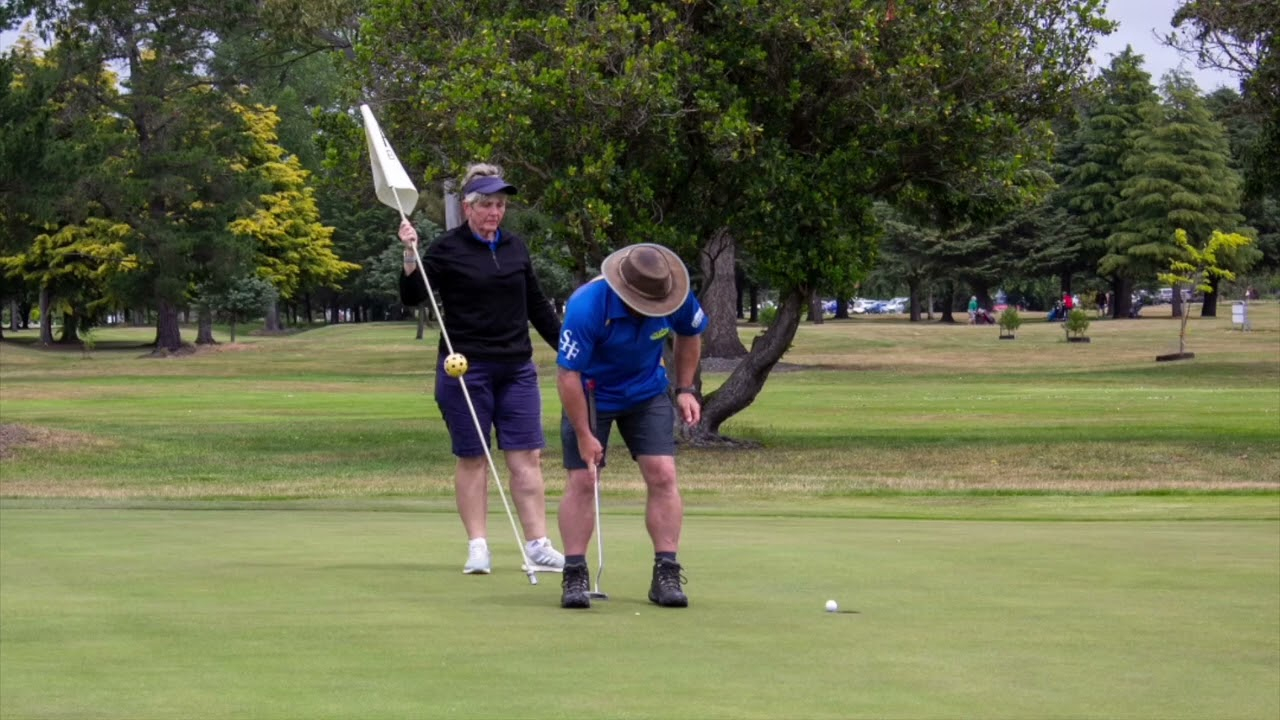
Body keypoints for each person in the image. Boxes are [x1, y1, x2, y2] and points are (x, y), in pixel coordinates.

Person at [397, 163, 564, 576]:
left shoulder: (514, 247)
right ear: (468, 207)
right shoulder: (447, 248)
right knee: (474, 456)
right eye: (487, 204)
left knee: (527, 456)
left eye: (501, 205)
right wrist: (409, 254)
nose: (495, 212)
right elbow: (413, 297)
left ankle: (539, 545)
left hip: (517, 367)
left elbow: (537, 305)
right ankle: (478, 547)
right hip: (465, 368)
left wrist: (567, 349)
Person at [554, 243, 708, 609]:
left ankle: (666, 572)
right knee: (584, 478)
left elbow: (690, 334)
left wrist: (686, 388)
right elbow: (567, 375)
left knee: (663, 474)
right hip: (591, 393)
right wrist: (584, 434)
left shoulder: (676, 295)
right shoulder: (587, 306)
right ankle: (574, 573)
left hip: (646, 391)